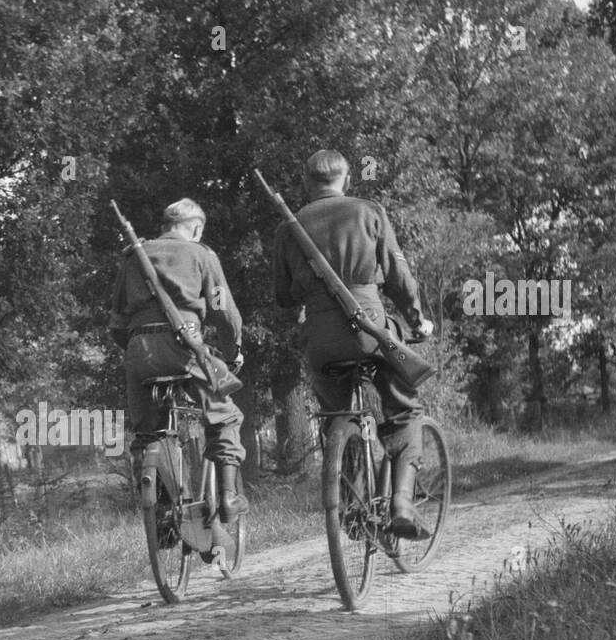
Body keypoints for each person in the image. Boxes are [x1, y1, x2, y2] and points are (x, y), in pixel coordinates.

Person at [273, 150, 434, 539]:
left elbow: (282, 297)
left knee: (337, 416)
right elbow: (398, 275)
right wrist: (417, 320)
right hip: (370, 330)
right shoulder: (368, 210)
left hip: (320, 342)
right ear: (345, 179)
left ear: (307, 184)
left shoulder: (287, 229)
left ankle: (352, 508)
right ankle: (401, 502)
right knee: (406, 412)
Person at [109, 198, 248, 521]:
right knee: (224, 416)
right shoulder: (202, 255)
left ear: (165, 225)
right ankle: (228, 499)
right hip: (184, 347)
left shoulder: (133, 256)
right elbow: (223, 311)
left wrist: (136, 353)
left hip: (138, 349)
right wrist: (233, 351)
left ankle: (161, 510)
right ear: (196, 228)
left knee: (147, 434)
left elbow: (117, 321)